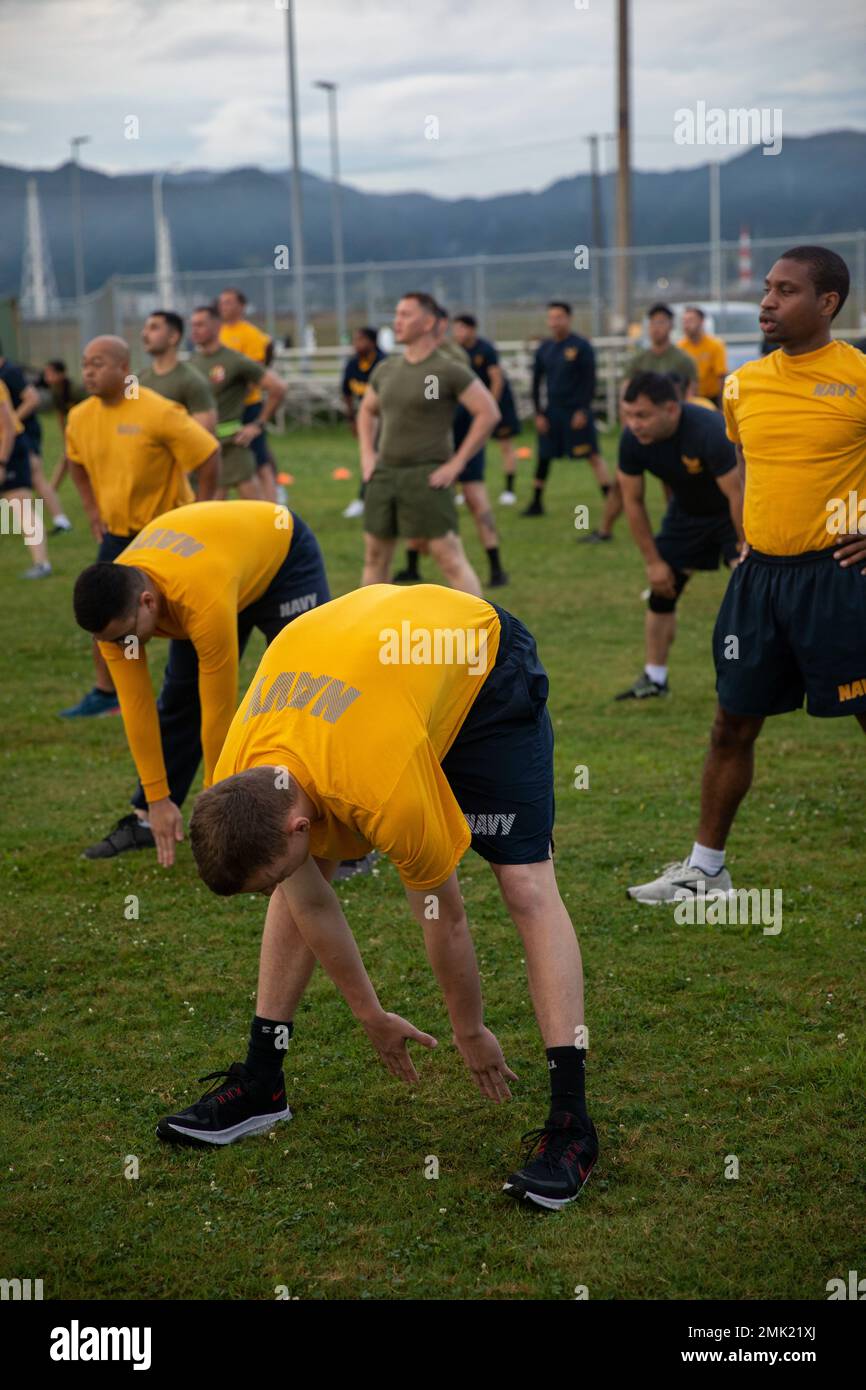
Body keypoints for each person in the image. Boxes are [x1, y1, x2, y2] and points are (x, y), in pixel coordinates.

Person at [158, 583, 598, 1211]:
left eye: (268, 879)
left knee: (526, 883)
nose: (272, 892)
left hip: (479, 664)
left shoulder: (381, 787)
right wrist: (370, 1014)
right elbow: (309, 902)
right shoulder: (240, 776)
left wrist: (469, 1029)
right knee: (299, 883)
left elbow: (443, 917)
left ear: (297, 825)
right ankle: (262, 1080)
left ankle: (572, 1127)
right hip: (370, 672)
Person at [627, 246, 866, 902]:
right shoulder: (742, 385)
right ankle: (706, 870)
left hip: (839, 580)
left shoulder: (859, 377)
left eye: (785, 290)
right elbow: (753, 472)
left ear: (827, 304)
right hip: (759, 581)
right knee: (731, 724)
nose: (767, 300)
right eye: (766, 288)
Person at [70, 500, 330, 863]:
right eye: (111, 642)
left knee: (305, 691)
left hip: (282, 554)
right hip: (224, 565)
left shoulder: (198, 601)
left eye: (125, 637)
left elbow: (219, 713)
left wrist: (214, 815)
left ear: (148, 602)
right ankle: (150, 819)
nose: (122, 647)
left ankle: (339, 837)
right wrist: (157, 797)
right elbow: (137, 707)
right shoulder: (117, 621)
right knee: (181, 696)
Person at [59, 336, 220, 719]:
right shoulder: (79, 417)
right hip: (118, 535)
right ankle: (107, 693)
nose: (88, 371)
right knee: (104, 614)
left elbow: (208, 453)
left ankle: (190, 691)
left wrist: (204, 509)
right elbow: (74, 462)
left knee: (181, 617)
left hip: (166, 537)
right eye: (84, 364)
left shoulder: (157, 411)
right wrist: (91, 510)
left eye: (98, 363)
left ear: (123, 367)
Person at [357, 292, 498, 596]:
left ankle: (482, 634)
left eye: (406, 314)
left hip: (427, 476)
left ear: (429, 321)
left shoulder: (447, 369)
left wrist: (457, 464)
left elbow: (488, 413)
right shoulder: (386, 369)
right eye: (396, 314)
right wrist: (368, 456)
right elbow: (367, 411)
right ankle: (369, 632)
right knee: (375, 558)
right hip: (385, 475)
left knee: (449, 559)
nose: (397, 321)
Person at [614, 373, 744, 700]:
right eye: (628, 415)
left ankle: (770, 675)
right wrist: (653, 562)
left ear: (671, 410)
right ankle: (654, 679)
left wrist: (746, 546)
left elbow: (738, 494)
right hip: (687, 514)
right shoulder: (631, 440)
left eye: (642, 415)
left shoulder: (709, 431)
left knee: (755, 594)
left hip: (736, 513)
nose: (634, 424)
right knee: (662, 592)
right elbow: (632, 501)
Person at [393, 306, 508, 589]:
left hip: (460, 435)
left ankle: (495, 567)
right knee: (416, 502)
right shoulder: (409, 357)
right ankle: (411, 566)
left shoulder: (452, 357)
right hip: (431, 441)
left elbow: (438, 396)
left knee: (475, 498)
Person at [524, 302, 622, 541]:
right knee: (544, 456)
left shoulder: (581, 346)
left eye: (559, 317)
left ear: (569, 319)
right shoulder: (545, 348)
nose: (555, 322)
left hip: (576, 412)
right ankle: (536, 502)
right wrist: (538, 412)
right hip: (552, 413)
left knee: (592, 456)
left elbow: (590, 381)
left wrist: (583, 410)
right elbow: (536, 382)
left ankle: (612, 502)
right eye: (551, 318)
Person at [189, 304, 286, 501]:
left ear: (217, 326)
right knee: (208, 513)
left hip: (233, 445)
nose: (195, 330)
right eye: (192, 325)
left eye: (200, 324)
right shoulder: (192, 364)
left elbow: (278, 388)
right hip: (203, 446)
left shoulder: (234, 360)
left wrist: (258, 425)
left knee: (255, 509)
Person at [0, 343, 71, 536]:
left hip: (23, 432)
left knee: (30, 478)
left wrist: (9, 422)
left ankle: (57, 521)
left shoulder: (9, 372)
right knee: (30, 479)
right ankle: (58, 520)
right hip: (15, 432)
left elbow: (32, 399)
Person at [452, 313, 522, 504]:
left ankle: (509, 490)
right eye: (455, 328)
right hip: (469, 407)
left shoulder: (486, 349)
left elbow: (496, 379)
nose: (457, 333)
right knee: (462, 446)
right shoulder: (456, 352)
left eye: (461, 328)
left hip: (497, 404)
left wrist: (488, 408)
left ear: (472, 329)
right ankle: (459, 490)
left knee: (505, 446)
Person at [218, 288, 278, 502]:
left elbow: (256, 374)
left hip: (247, 406)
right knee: (219, 460)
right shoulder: (218, 333)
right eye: (221, 302)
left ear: (241, 306)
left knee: (260, 460)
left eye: (228, 302)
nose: (223, 306)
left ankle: (273, 508)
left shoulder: (251, 335)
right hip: (223, 409)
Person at [0, 375, 51, 577]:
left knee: (21, 506)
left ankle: (42, 564)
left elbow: (9, 427)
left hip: (9, 449)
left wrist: (2, 462)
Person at [139, 311, 217, 432]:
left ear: (173, 337)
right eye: (145, 328)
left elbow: (205, 437)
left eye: (154, 328)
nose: (144, 334)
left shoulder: (192, 381)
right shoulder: (138, 380)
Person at [341, 326, 386, 519]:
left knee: (377, 457)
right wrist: (352, 419)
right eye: (355, 340)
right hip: (366, 417)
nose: (356, 344)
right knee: (369, 455)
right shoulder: (353, 364)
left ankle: (364, 498)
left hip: (385, 418)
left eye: (360, 340)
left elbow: (431, 392)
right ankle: (368, 498)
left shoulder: (383, 363)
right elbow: (346, 392)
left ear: (372, 342)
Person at [622, 303, 698, 395]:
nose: (656, 327)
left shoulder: (684, 360)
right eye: (653, 322)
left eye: (661, 322)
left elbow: (692, 392)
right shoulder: (638, 360)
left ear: (671, 325)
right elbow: (625, 391)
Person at [42, 360, 87, 493]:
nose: (47, 377)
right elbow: (60, 414)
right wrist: (66, 436)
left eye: (50, 374)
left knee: (69, 459)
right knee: (67, 458)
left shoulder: (76, 390)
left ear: (61, 374)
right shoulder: (55, 391)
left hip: (88, 429)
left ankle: (51, 490)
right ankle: (51, 490)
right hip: (75, 430)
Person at [678, 306, 728, 407]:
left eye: (691, 320)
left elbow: (721, 376)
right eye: (684, 321)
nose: (686, 325)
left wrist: (721, 406)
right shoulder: (680, 347)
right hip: (689, 399)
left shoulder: (715, 345)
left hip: (712, 398)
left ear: (701, 322)